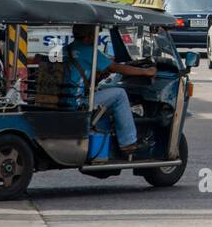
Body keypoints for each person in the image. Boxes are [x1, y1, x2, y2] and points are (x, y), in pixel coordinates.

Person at [60, 25, 156, 159]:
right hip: (78, 101)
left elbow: (78, 75)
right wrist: (146, 72)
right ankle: (128, 142)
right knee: (120, 94)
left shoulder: (67, 49)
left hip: (64, 98)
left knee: (107, 89)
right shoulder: (89, 51)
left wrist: (99, 76)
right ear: (90, 36)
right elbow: (115, 67)